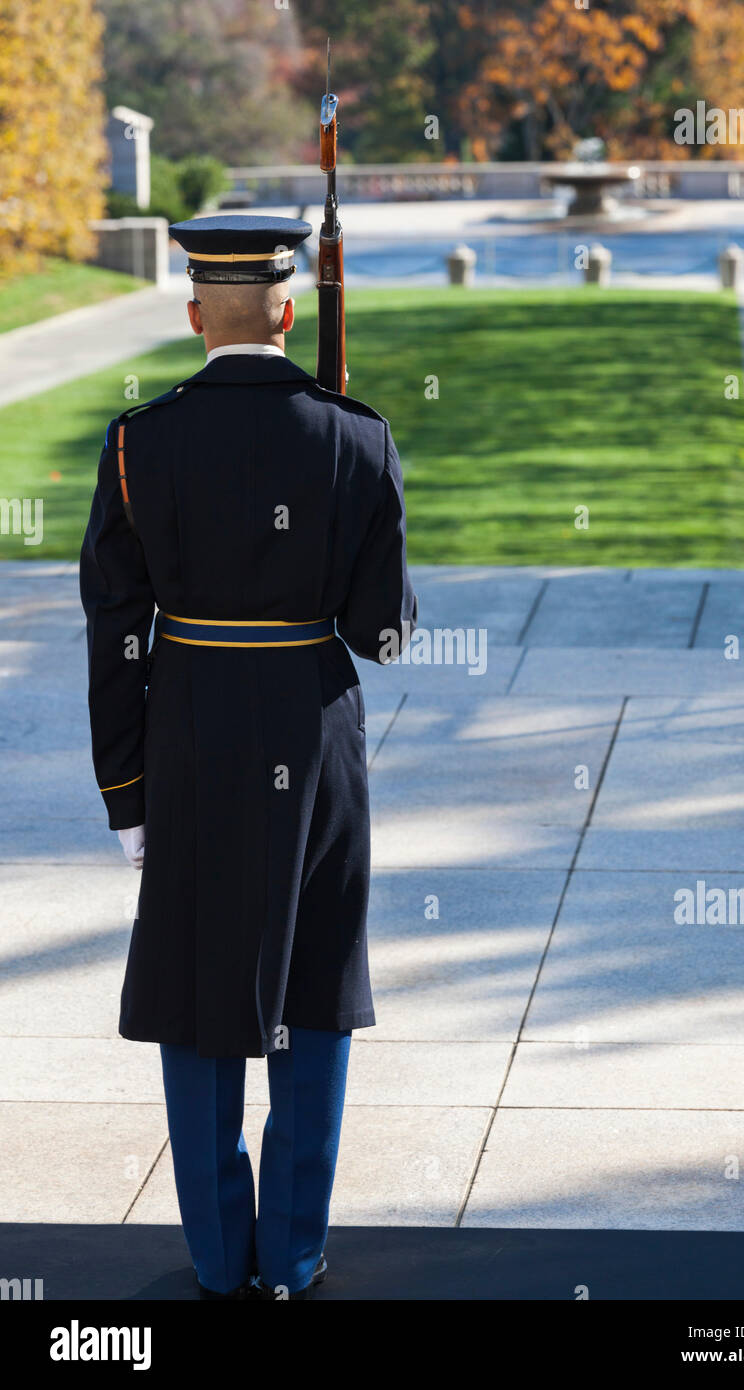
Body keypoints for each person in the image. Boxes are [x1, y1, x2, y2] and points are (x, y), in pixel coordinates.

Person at [79, 215, 416, 1300]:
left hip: (187, 730)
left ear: (193, 317)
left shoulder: (141, 441)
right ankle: (298, 1252)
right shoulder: (353, 435)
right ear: (287, 312)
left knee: (196, 985)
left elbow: (113, 629)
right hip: (314, 734)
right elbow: (383, 633)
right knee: (314, 984)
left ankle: (223, 1262)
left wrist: (126, 796)